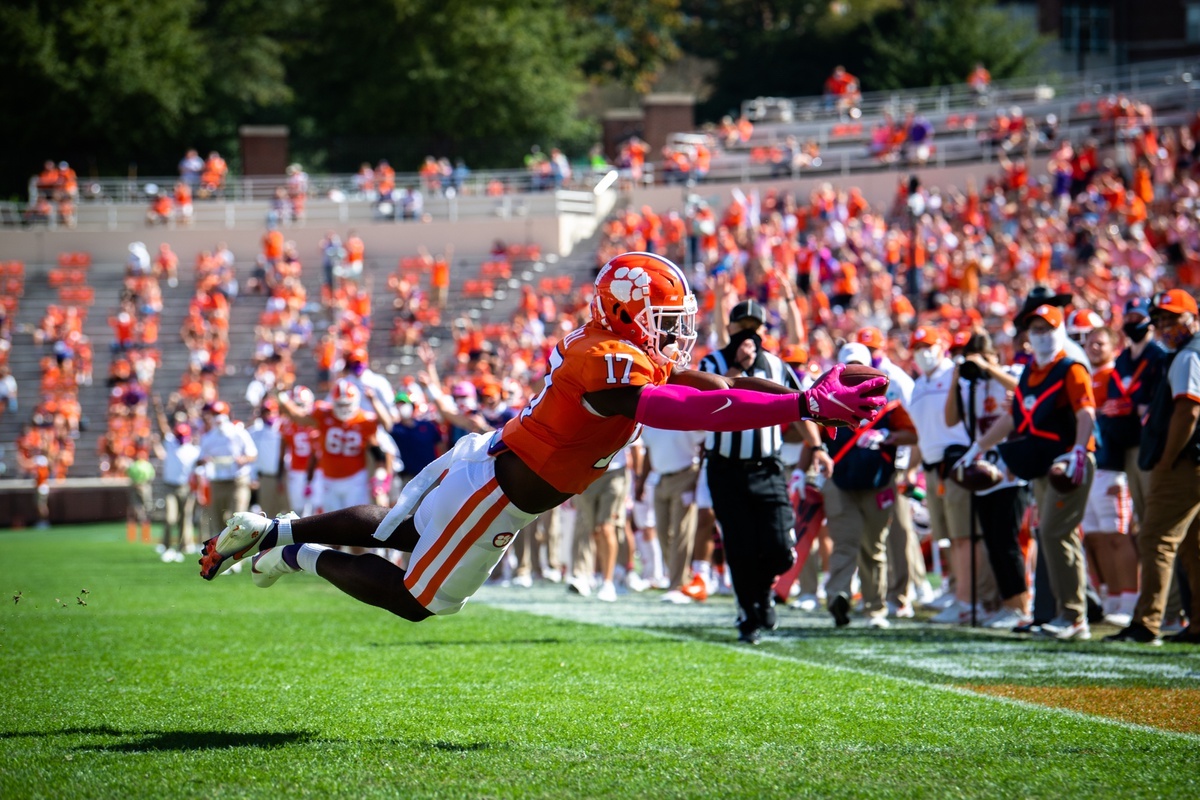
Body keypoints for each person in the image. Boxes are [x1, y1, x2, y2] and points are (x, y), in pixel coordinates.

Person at [198, 252, 885, 628]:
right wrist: (798, 403)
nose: (677, 331)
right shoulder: (607, 362)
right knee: (419, 600)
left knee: (399, 530)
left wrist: (804, 396)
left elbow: (703, 384)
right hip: (499, 492)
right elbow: (682, 408)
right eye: (665, 317)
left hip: (489, 461)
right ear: (627, 312)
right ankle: (292, 556)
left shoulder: (614, 344)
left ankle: (271, 528)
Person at [956, 304, 1096, 640]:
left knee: (1053, 532)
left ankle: (1074, 617)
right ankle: (1070, 614)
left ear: (1059, 331)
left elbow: (1085, 412)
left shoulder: (1071, 368)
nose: (1042, 336)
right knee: (1054, 534)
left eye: (1047, 329)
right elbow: (1013, 418)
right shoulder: (1031, 372)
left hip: (1068, 461)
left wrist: (1079, 449)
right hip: (1044, 464)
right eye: (1035, 330)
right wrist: (978, 448)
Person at [695, 298, 808, 643]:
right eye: (740, 328)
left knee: (779, 548)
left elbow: (798, 404)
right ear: (729, 331)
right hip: (725, 469)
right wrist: (736, 372)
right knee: (740, 547)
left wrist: (817, 447)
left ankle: (761, 592)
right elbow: (703, 405)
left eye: (753, 328)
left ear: (763, 332)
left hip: (767, 467)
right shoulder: (712, 363)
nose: (747, 335)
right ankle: (750, 616)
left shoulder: (776, 365)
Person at [1107, 289, 1200, 645]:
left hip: (1185, 463)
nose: (1164, 326)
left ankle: (1147, 622)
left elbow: (1187, 411)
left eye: (1171, 319)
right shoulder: (1187, 353)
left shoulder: (1188, 357)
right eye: (1159, 319)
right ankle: (1196, 623)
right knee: (1193, 545)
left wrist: (1166, 459)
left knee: (1155, 538)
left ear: (1191, 317)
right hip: (1193, 461)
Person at [821, 343, 918, 628]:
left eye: (858, 367)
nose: (854, 373)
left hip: (877, 482)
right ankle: (838, 596)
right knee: (845, 542)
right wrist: (805, 471)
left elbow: (911, 435)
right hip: (840, 482)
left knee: (873, 547)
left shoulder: (888, 401)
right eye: (848, 367)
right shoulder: (824, 397)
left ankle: (875, 608)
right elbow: (812, 438)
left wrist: (886, 434)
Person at [944, 330, 1031, 630]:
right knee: (993, 541)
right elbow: (951, 419)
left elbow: (1024, 392)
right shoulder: (970, 386)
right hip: (982, 472)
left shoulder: (1011, 373)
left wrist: (990, 368)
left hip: (1009, 471)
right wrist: (958, 377)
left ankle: (1019, 605)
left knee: (1006, 541)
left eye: (987, 356)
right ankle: (1006, 604)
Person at [1082, 325, 1138, 626]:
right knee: (1096, 538)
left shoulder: (1115, 375)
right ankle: (1111, 596)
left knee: (1117, 536)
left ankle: (1130, 598)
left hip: (1112, 466)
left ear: (1113, 346)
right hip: (1091, 465)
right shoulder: (1084, 374)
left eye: (1099, 343)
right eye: (1090, 342)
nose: (1093, 348)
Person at [277, 378, 381, 513]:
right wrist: (281, 397)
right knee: (332, 521)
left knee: (357, 518)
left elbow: (382, 440)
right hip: (329, 478)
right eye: (340, 404)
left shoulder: (365, 420)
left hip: (355, 478)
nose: (344, 409)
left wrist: (381, 470)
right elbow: (298, 417)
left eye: (347, 404)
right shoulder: (323, 414)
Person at [196, 401, 258, 536]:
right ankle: (221, 553)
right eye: (214, 414)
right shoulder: (208, 437)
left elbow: (252, 454)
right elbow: (199, 460)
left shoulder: (239, 432)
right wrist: (205, 461)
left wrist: (243, 459)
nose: (217, 417)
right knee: (218, 522)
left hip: (237, 480)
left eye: (219, 414)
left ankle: (240, 552)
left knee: (238, 518)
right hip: (217, 481)